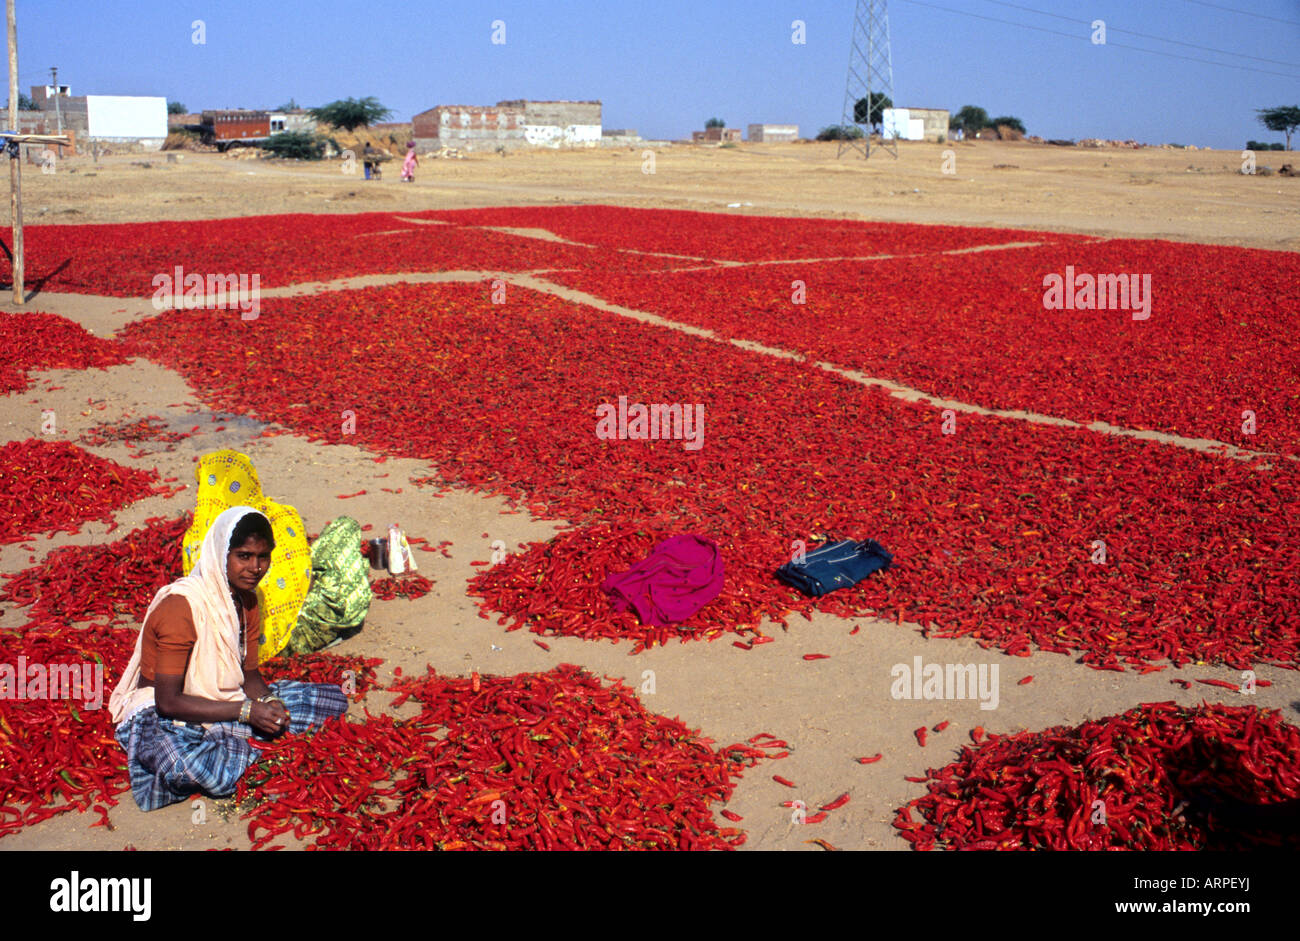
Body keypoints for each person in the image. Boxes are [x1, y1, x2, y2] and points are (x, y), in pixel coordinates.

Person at [109, 507, 348, 812]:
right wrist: (246, 712)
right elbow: (167, 701)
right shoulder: (181, 608)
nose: (255, 567)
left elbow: (248, 677)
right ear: (221, 553)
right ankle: (240, 743)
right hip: (163, 713)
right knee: (188, 766)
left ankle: (238, 742)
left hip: (222, 701)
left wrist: (270, 702)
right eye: (244, 556)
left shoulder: (245, 600)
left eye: (263, 557)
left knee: (330, 700)